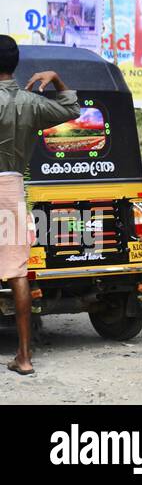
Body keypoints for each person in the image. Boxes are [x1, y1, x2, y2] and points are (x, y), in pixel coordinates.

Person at [0, 35, 80, 375]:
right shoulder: (31, 102)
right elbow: (72, 109)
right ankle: (25, 357)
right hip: (11, 188)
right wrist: (57, 78)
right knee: (18, 273)